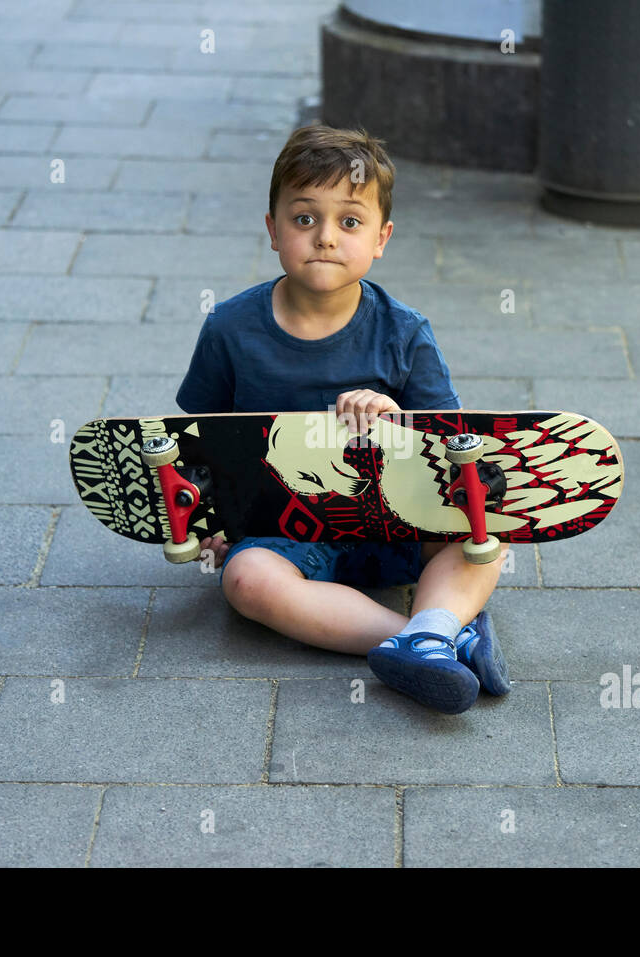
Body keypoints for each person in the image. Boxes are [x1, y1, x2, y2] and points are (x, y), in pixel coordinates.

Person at [175, 124, 510, 715]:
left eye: (349, 222)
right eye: (304, 219)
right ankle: (431, 636)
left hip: (397, 516)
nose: (325, 237)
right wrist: (210, 518)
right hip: (287, 527)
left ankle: (429, 629)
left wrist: (397, 419)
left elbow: (455, 451)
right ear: (273, 230)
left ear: (381, 238)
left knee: (485, 536)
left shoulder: (404, 332)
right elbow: (200, 445)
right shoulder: (229, 328)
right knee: (246, 582)